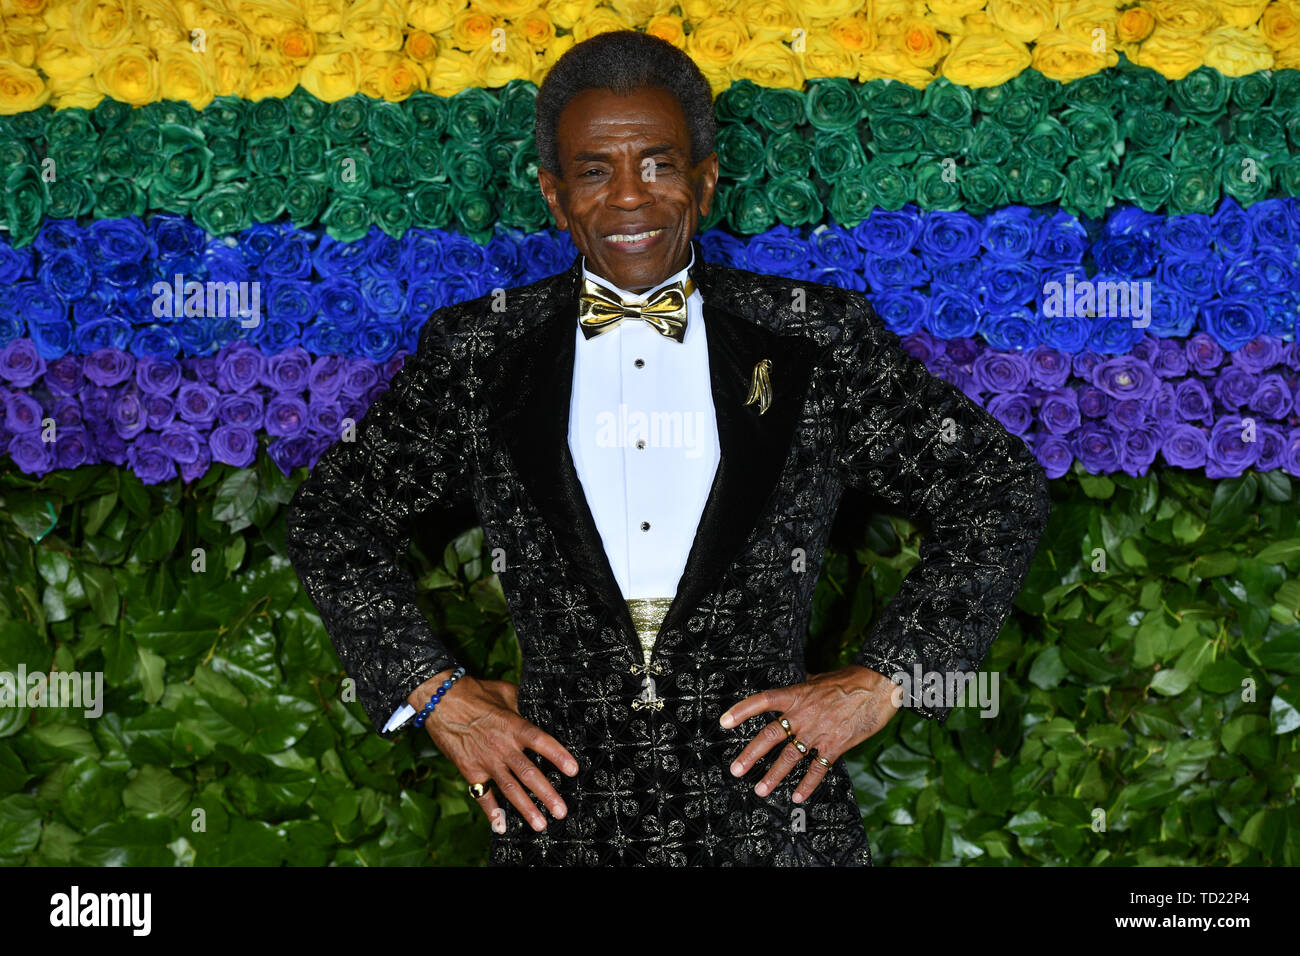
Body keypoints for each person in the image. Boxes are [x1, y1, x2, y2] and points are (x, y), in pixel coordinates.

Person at [284, 29, 1051, 866]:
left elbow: (997, 487)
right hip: (560, 828)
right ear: (553, 195)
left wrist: (884, 682)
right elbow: (335, 516)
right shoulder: (479, 353)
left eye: (657, 163)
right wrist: (433, 695)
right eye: (594, 171)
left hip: (781, 830)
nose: (629, 198)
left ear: (706, 180)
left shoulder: (815, 340)